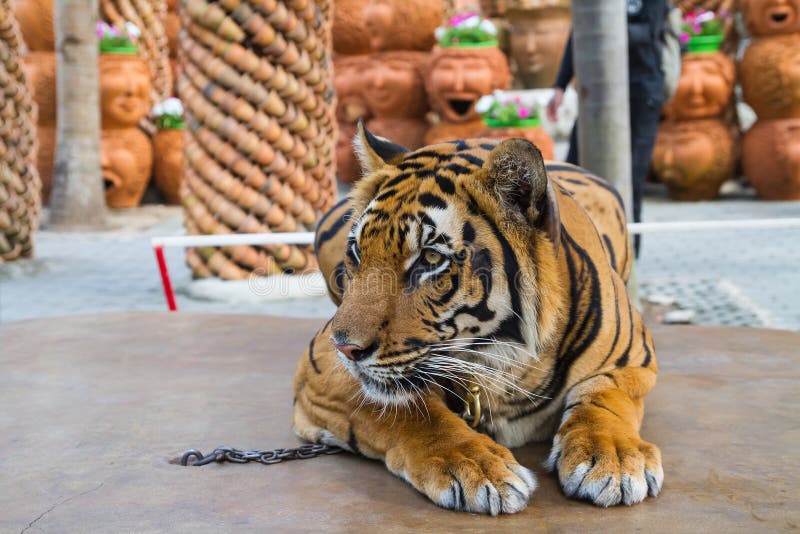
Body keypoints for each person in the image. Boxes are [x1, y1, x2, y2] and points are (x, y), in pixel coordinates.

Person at [547, 0, 670, 255]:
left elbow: (648, 32)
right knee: (571, 170)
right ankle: (573, 252)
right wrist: (560, 85)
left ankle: (629, 256)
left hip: (642, 93)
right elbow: (579, 33)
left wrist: (604, 24)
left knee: (630, 180)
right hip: (598, 96)